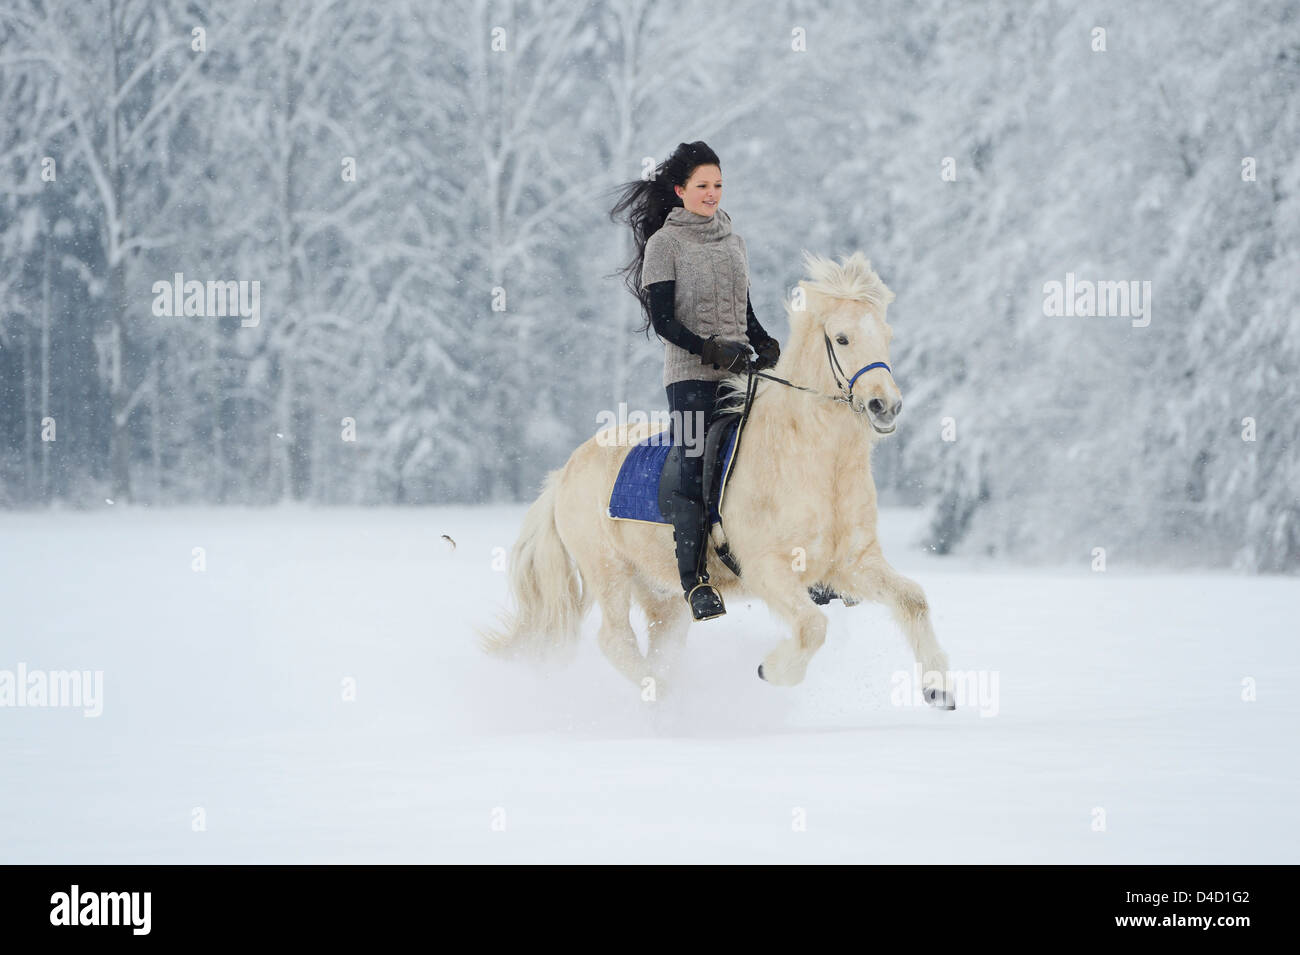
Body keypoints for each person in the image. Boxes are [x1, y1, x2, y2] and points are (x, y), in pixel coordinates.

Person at [608, 141, 780, 621]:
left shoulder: (734, 241)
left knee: (776, 447)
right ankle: (696, 580)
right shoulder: (666, 244)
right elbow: (664, 321)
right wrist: (708, 349)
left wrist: (764, 341)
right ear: (680, 190)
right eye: (702, 186)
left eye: (718, 185)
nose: (712, 194)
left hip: (739, 372)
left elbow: (742, 310)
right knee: (693, 458)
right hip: (690, 375)